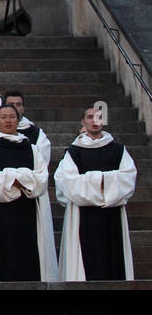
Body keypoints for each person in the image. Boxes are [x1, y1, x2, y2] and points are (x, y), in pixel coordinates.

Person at [55, 106, 138, 281]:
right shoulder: (74, 152)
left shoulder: (118, 150)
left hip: (111, 215)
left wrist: (90, 183)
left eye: (98, 117)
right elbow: (69, 183)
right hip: (83, 216)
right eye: (90, 117)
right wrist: (106, 185)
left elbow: (128, 178)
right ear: (82, 121)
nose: (94, 121)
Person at [0, 104, 58, 282]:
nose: (8, 120)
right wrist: (15, 180)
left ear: (18, 120)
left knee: (28, 253)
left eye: (12, 117)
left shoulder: (31, 148)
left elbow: (42, 177)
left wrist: (14, 178)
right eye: (4, 117)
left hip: (26, 209)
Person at [1, 90, 51, 166]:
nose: (15, 108)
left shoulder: (37, 134)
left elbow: (42, 162)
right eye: (11, 104)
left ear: (23, 108)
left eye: (18, 104)